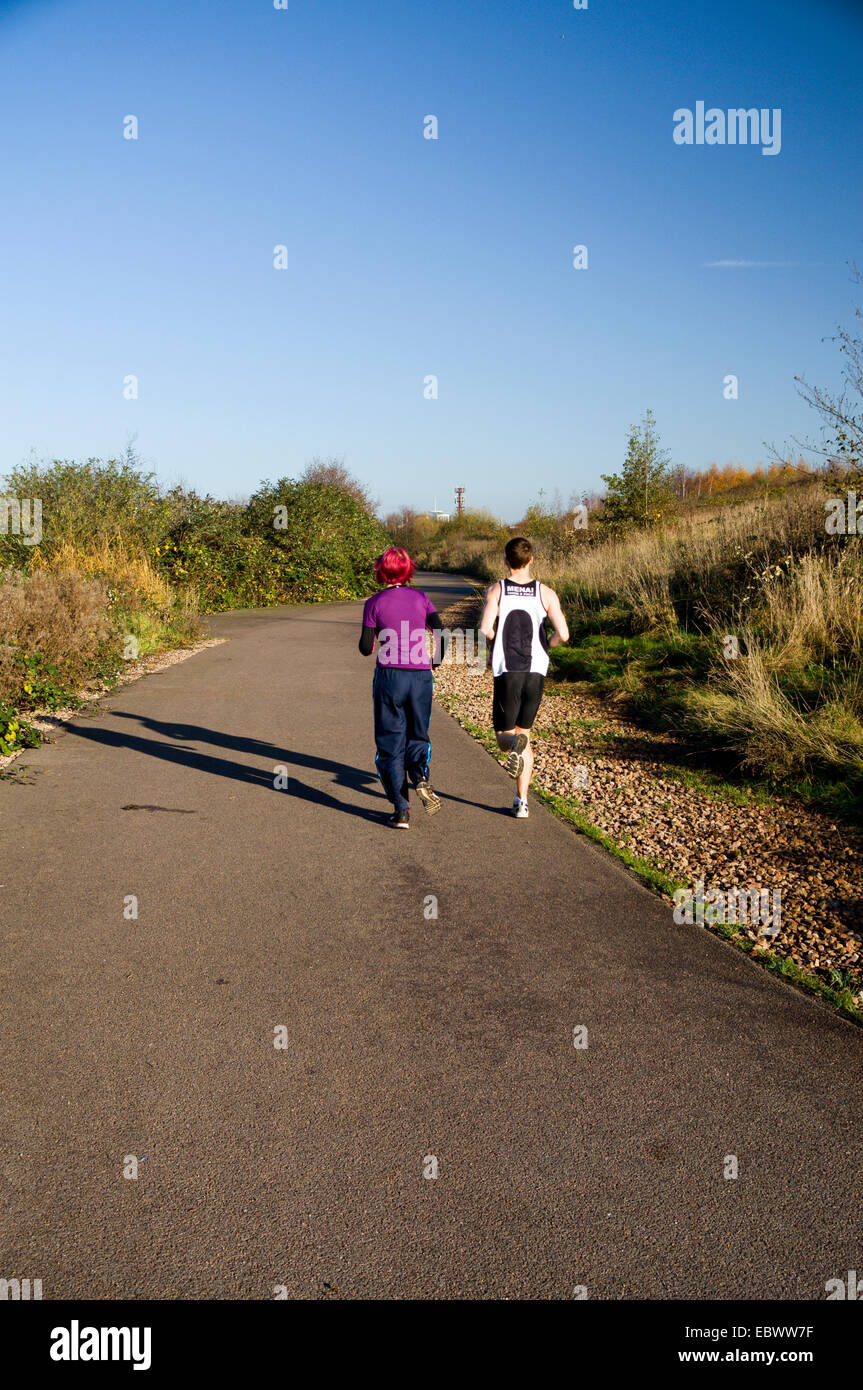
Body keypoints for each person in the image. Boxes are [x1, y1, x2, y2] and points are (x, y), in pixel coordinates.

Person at [479, 536, 569, 818]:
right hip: (536, 670)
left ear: (505, 561)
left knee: (504, 737)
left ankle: (512, 747)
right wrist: (547, 646)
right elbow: (563, 635)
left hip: (509, 671)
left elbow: (485, 628)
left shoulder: (497, 590)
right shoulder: (547, 593)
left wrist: (496, 643)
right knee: (525, 735)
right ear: (531, 560)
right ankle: (522, 802)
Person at [359, 547, 443, 828]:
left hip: (390, 677)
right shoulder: (421, 598)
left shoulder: (374, 603)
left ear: (381, 571)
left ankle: (401, 809)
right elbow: (440, 630)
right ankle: (420, 776)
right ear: (408, 570)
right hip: (420, 676)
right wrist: (437, 660)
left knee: (390, 743)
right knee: (418, 734)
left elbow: (364, 648)